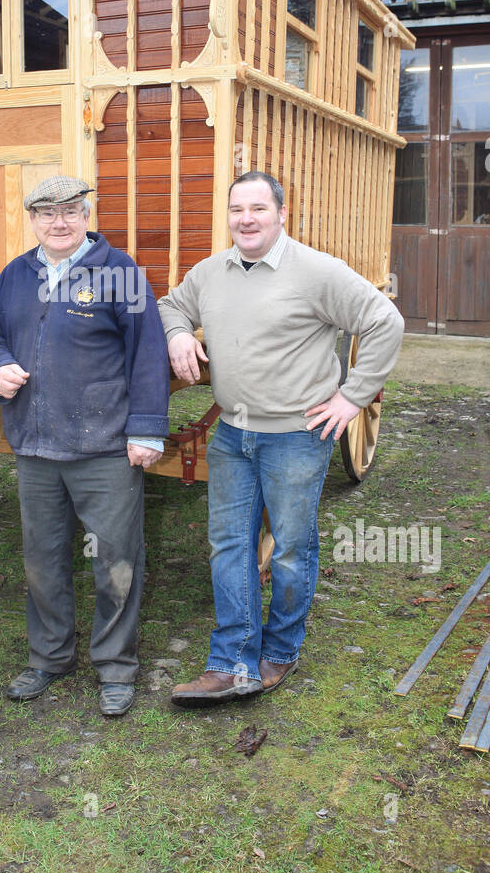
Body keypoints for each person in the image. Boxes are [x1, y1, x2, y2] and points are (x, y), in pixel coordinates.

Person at [158, 171, 404, 706]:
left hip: (297, 435)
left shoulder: (316, 271)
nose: (246, 219)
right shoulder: (211, 272)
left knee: (291, 550)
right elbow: (171, 306)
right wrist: (178, 333)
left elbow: (385, 320)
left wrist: (353, 395)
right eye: (236, 209)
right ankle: (231, 662)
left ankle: (282, 651)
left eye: (258, 209)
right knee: (229, 546)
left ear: (281, 214)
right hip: (232, 435)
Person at [0, 175, 171, 717]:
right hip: (35, 447)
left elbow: (148, 352)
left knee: (116, 561)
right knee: (43, 560)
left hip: (104, 448)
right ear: (32, 219)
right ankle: (50, 657)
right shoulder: (16, 275)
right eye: (47, 213)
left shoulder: (119, 272)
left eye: (70, 211)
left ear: (86, 215)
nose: (59, 222)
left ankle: (115, 667)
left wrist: (147, 431)